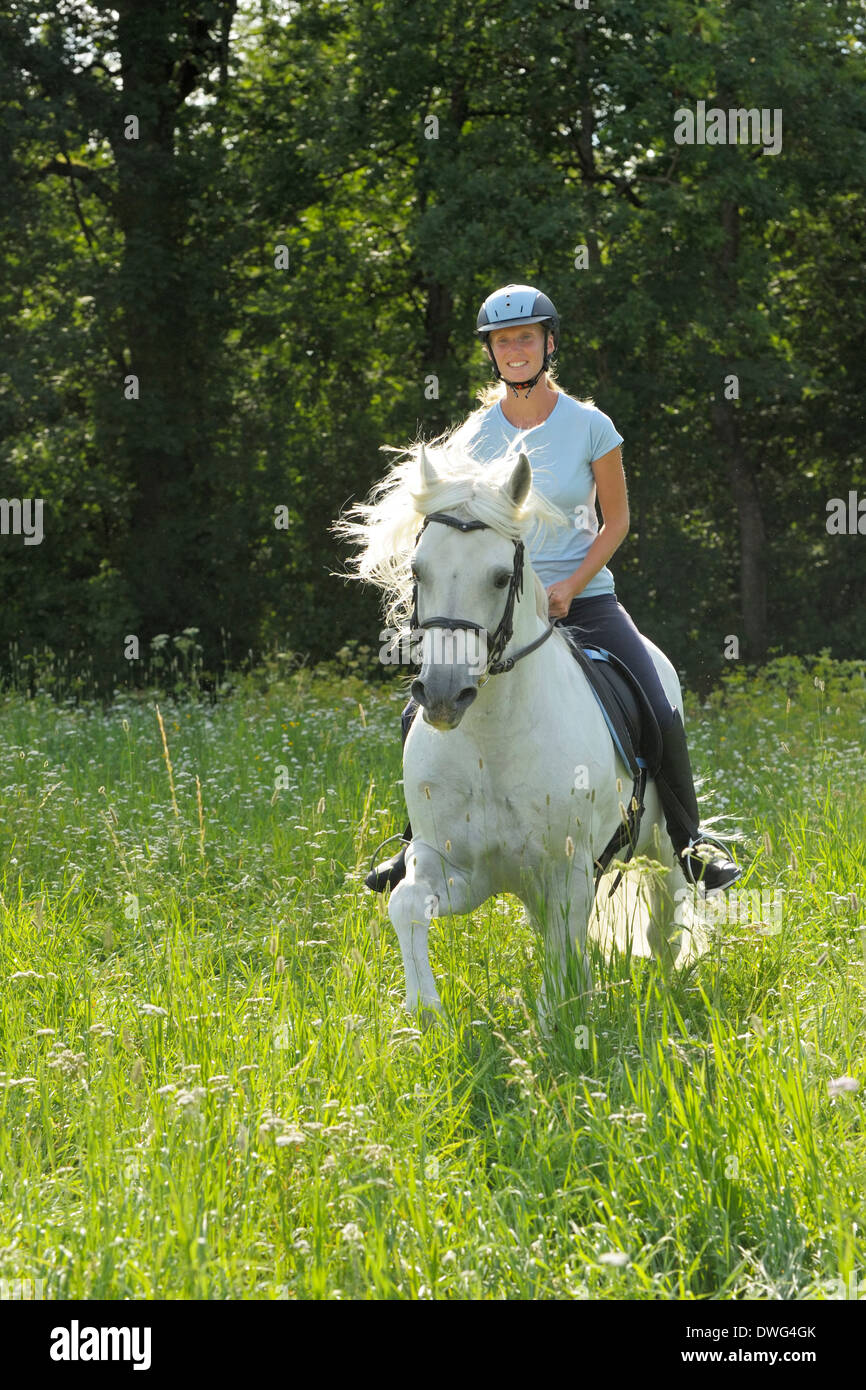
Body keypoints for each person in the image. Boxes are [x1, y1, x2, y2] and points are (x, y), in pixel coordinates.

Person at [365, 283, 741, 894]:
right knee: (419, 707)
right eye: (502, 341)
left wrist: (570, 584)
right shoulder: (474, 435)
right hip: (497, 607)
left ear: (548, 343)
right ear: (491, 352)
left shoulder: (591, 427)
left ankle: (689, 841)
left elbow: (616, 520)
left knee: (654, 695)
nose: (515, 350)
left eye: (525, 338)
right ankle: (416, 840)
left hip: (584, 600)